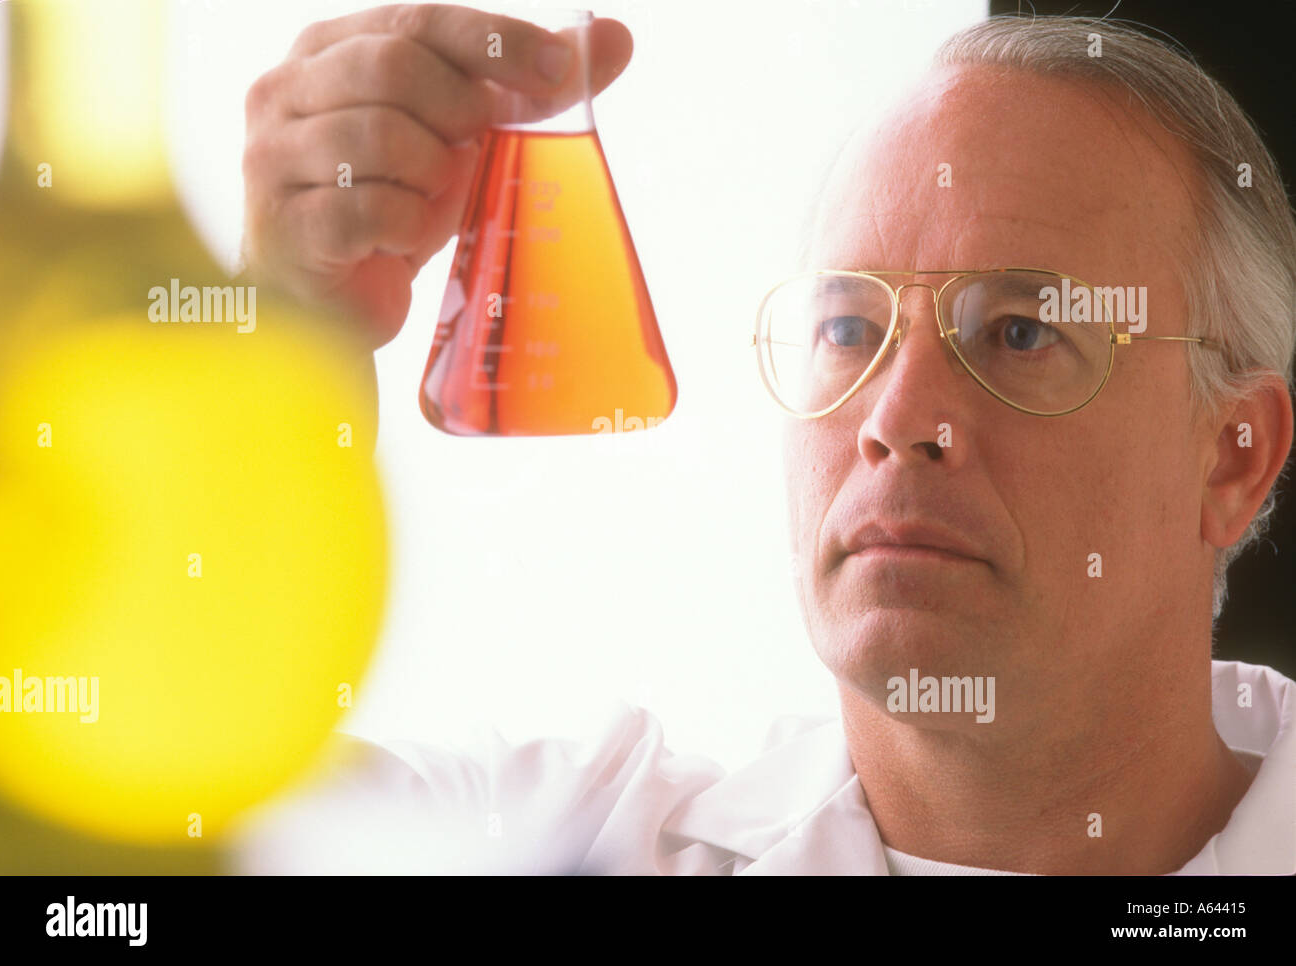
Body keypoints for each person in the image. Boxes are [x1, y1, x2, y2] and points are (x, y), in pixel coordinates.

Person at [233, 8, 1295, 874]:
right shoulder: (576, 846)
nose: (893, 423)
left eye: (1020, 333)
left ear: (1233, 455)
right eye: (848, 330)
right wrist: (288, 334)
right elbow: (142, 828)